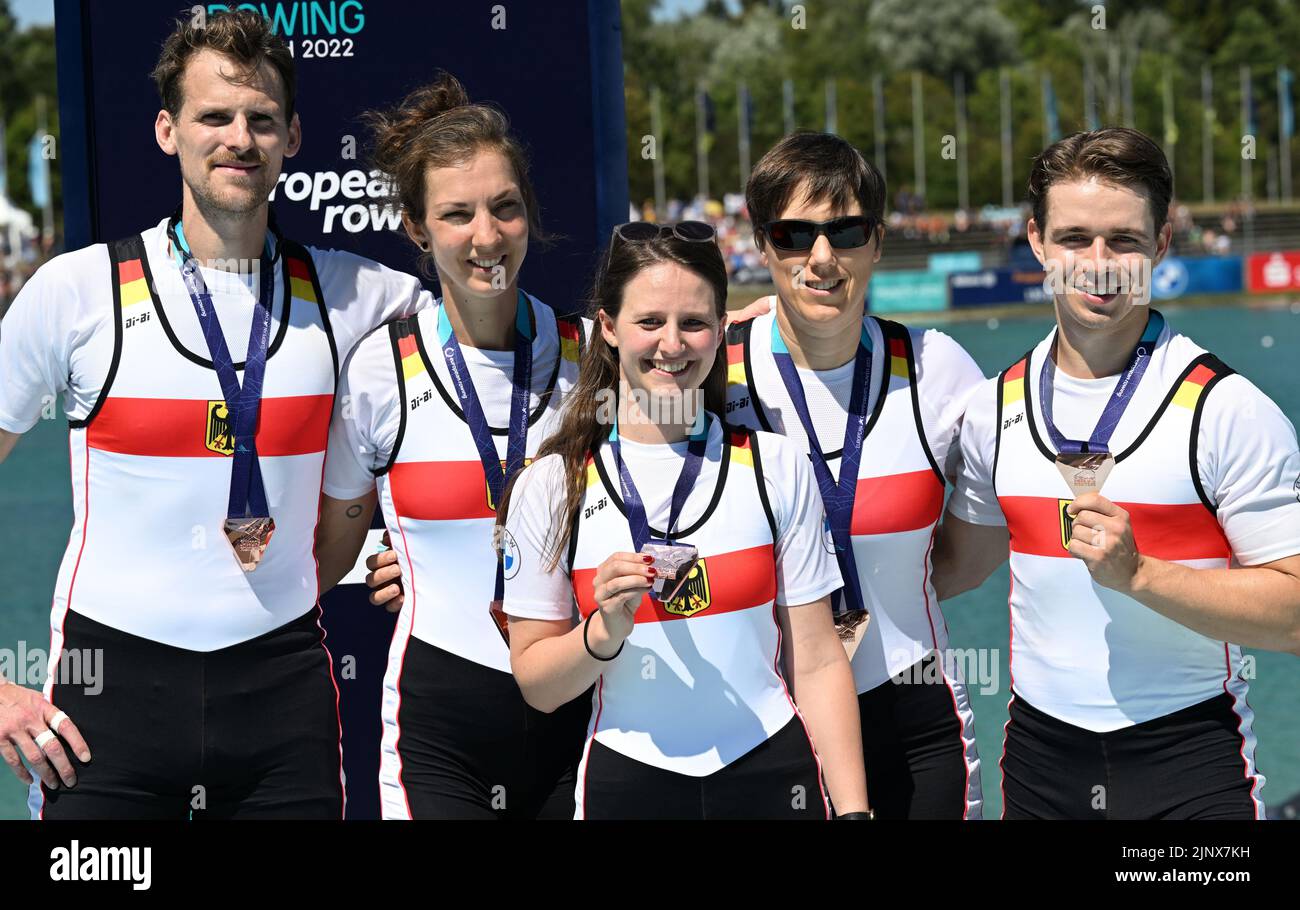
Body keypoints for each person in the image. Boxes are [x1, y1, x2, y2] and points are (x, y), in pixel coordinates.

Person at [0, 10, 433, 818]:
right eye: (214, 117)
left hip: (281, 701)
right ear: (168, 131)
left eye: (261, 119)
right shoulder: (79, 291)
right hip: (106, 708)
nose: (239, 137)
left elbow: (513, 369)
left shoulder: (359, 297)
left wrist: (435, 549)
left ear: (293, 136)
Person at [935, 127, 1300, 820]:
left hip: (1190, 762)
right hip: (1039, 765)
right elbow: (956, 568)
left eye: (1124, 241)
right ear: (1036, 240)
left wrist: (1141, 575)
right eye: (1074, 238)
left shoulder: (1225, 410)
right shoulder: (993, 409)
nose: (1099, 264)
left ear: (1161, 244)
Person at [498, 221, 870, 820]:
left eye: (694, 323)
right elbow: (538, 687)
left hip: (773, 776)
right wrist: (602, 634)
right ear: (609, 327)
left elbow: (819, 659)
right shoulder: (550, 484)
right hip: (625, 784)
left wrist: (854, 811)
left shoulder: (773, 465)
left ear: (722, 331)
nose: (672, 344)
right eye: (649, 322)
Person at [313, 74, 591, 819]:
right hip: (438, 739)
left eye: (505, 208)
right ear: (416, 227)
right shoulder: (377, 372)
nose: (487, 236)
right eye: (457, 214)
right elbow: (327, 550)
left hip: (586, 722)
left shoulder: (593, 357)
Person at [726, 132, 985, 819]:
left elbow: (986, 538)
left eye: (844, 232)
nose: (821, 258)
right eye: (793, 234)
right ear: (761, 245)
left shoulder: (939, 369)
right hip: (761, 724)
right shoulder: (711, 374)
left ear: (876, 243)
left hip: (915, 720)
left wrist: (898, 586)